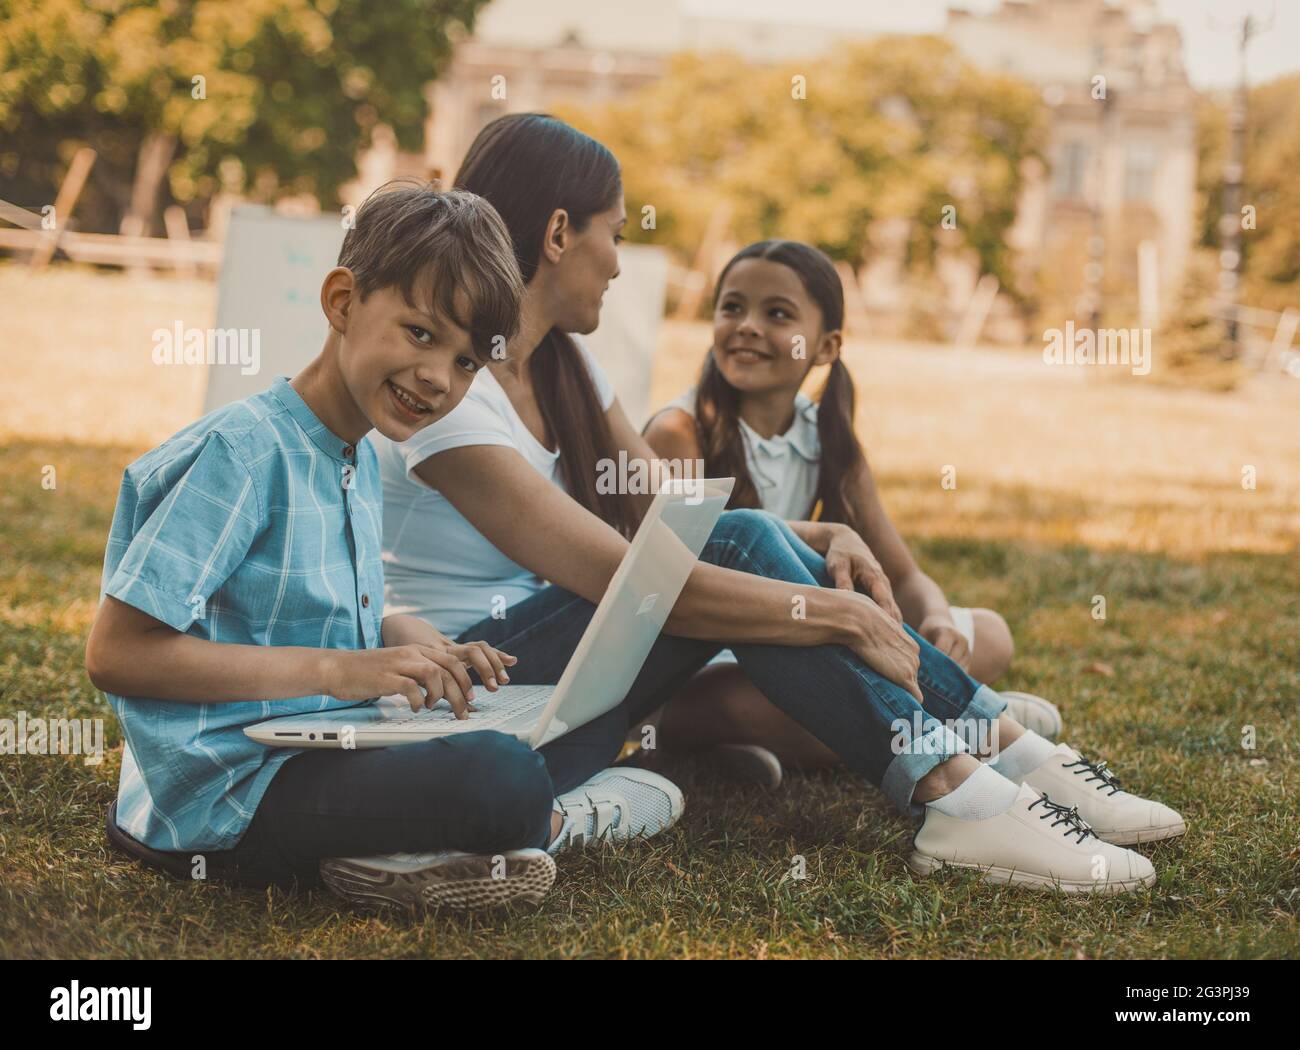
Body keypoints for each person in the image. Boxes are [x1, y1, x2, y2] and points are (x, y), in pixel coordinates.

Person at [374, 114, 1186, 894]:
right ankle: (969, 786)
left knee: (748, 534)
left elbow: (669, 513)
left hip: (561, 680)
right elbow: (641, 579)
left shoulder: (567, 367)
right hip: (471, 695)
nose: (619, 263)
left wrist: (824, 531)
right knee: (741, 540)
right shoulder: (448, 392)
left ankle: (998, 762)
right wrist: (842, 616)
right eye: (614, 234)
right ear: (558, 234)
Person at [85, 183, 653, 913]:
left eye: (465, 363)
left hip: (325, 747)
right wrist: (346, 668)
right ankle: (552, 821)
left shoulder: (358, 451)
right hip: (231, 798)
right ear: (343, 302)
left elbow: (291, 611)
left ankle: (413, 846)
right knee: (501, 777)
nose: (437, 379)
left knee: (583, 714)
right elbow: (118, 653)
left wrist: (406, 638)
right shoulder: (241, 453)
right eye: (421, 334)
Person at [641, 239, 1057, 787]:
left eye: (778, 314)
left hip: (807, 641)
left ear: (825, 346)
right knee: (808, 711)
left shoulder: (827, 437)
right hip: (710, 664)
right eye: (732, 307)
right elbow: (692, 553)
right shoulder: (680, 430)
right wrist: (825, 538)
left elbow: (903, 574)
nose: (746, 325)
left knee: (990, 635)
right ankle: (950, 725)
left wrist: (933, 617)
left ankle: (916, 721)